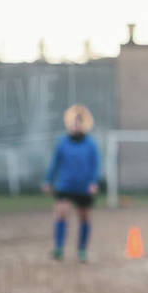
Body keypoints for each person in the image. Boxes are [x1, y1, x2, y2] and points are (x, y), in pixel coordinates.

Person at [42, 104, 101, 262]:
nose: (76, 125)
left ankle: (82, 250)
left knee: (85, 218)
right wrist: (48, 180)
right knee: (61, 214)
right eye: (74, 122)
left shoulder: (90, 144)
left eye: (79, 122)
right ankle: (59, 248)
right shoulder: (62, 142)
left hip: (83, 186)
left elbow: (95, 164)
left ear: (84, 124)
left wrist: (93, 182)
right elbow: (55, 163)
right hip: (66, 185)